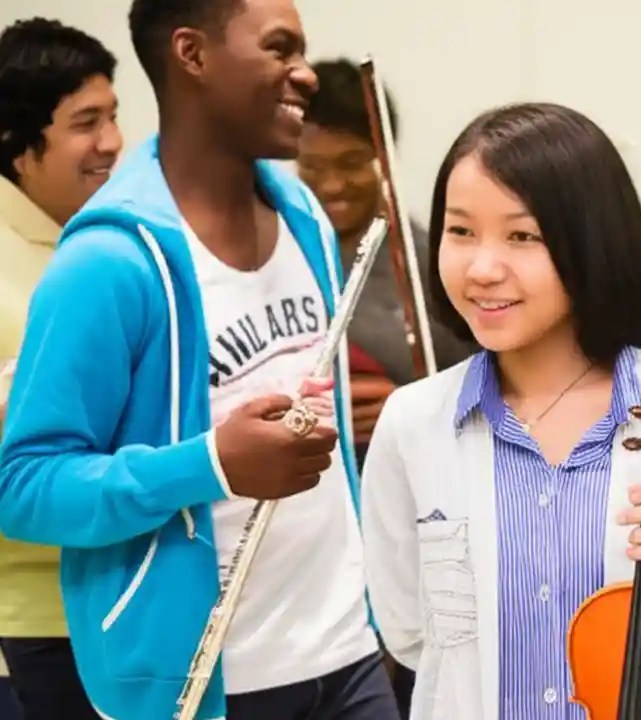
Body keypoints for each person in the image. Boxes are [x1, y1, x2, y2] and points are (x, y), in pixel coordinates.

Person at [0, 0, 401, 718]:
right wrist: (209, 465)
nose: (305, 74)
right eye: (280, 49)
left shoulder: (305, 215)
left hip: (347, 650)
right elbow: (26, 486)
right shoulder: (106, 263)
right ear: (192, 55)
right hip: (210, 681)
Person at [359, 101, 641, 718]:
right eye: (460, 231)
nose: (482, 267)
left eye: (523, 236)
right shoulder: (412, 424)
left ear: (592, 245)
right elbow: (409, 633)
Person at [0, 16, 121, 720]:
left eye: (112, 116)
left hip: (116, 610)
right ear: (18, 147)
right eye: (85, 122)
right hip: (23, 627)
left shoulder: (104, 241)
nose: (112, 142)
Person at [297, 57, 476, 468]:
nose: (332, 185)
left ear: (385, 155)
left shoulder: (438, 263)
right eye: (311, 166)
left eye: (351, 163)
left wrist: (410, 412)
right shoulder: (272, 260)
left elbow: (502, 391)